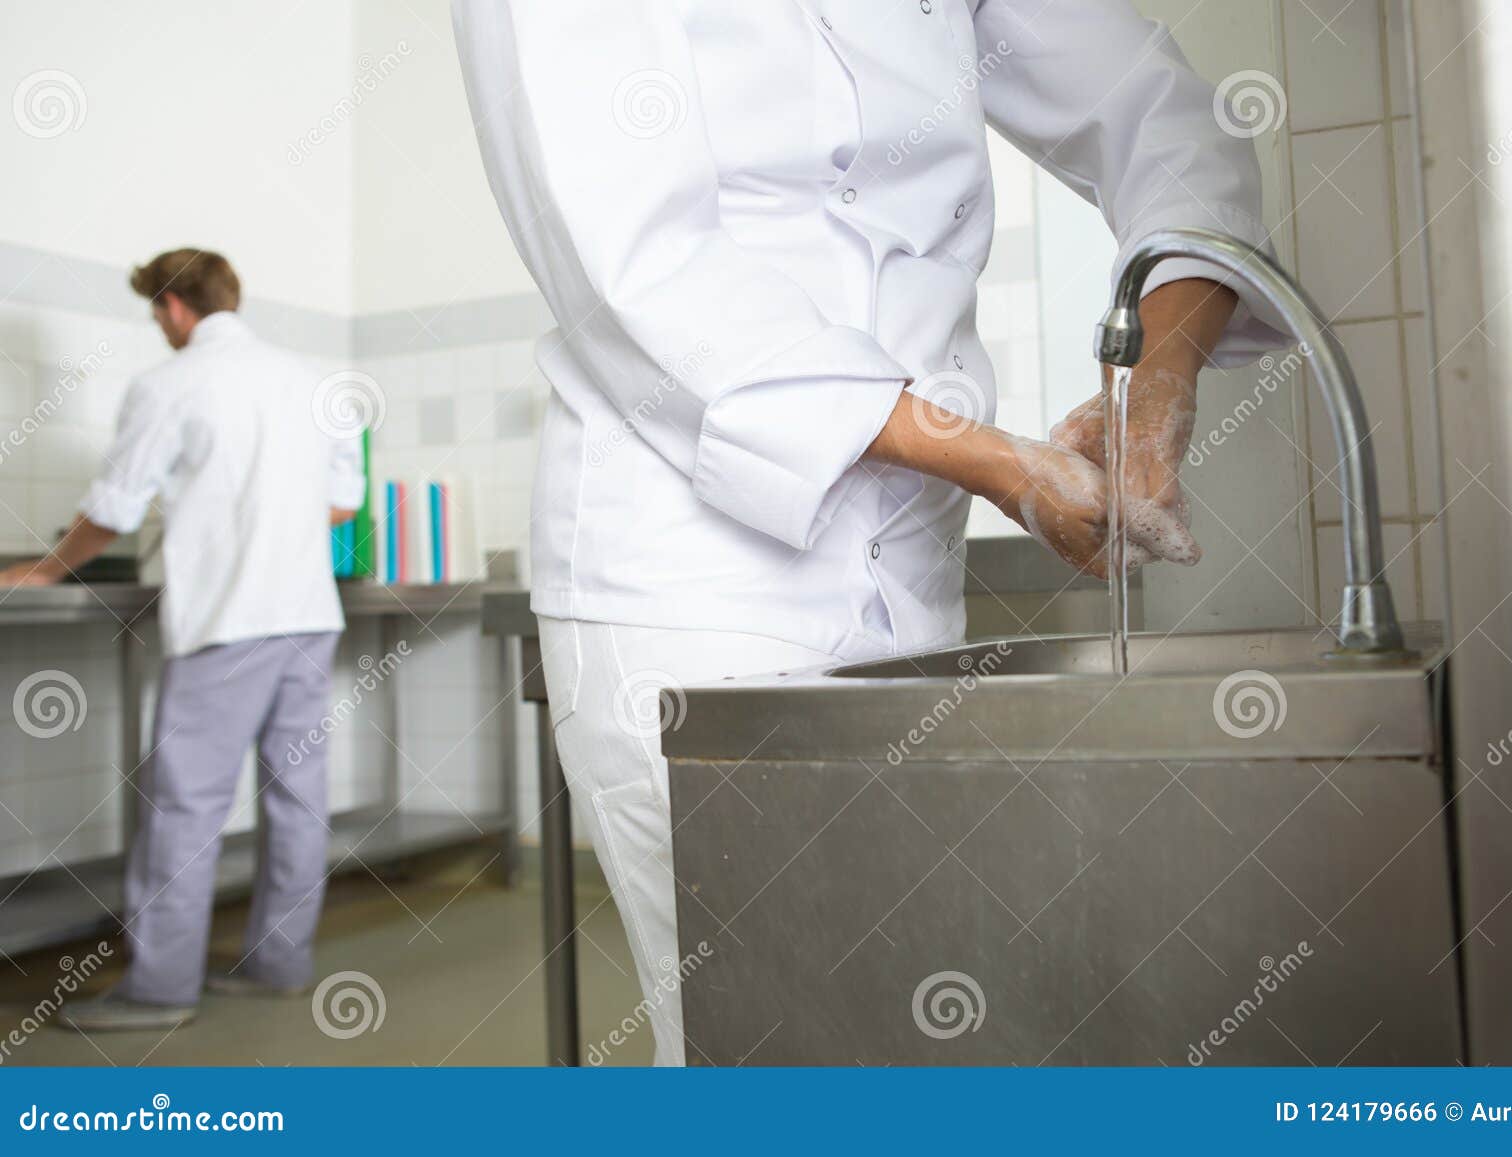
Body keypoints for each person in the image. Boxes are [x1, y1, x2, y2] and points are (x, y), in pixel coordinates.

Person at [452, 0, 1289, 1064]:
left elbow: (1165, 123)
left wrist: (1156, 382)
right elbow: (639, 273)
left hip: (916, 582)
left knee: (898, 1035)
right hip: (698, 582)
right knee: (766, 1049)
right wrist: (987, 457)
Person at [0, 249, 367, 1030]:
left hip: (229, 623)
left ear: (172, 308)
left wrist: (45, 567)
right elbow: (342, 503)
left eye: (155, 313)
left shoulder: (171, 384)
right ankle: (279, 962)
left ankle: (159, 988)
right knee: (298, 798)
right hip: (306, 614)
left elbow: (115, 508)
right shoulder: (308, 382)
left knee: (186, 803)